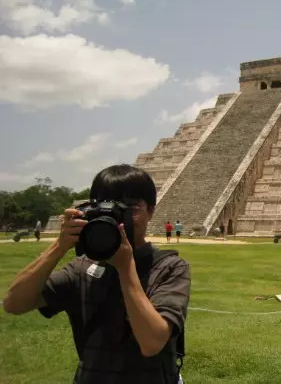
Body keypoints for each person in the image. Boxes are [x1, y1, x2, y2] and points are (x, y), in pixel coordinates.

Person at [3, 164, 191, 384]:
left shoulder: (170, 267)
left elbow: (152, 343)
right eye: (104, 207)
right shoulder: (81, 268)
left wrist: (125, 266)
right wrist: (59, 246)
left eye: (130, 208)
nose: (118, 218)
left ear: (151, 210)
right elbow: (13, 304)